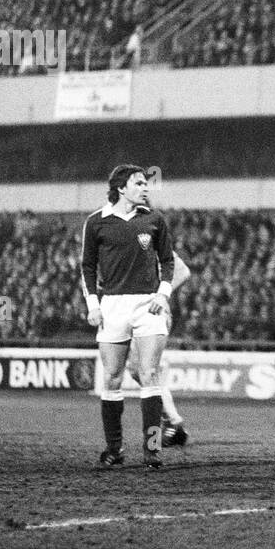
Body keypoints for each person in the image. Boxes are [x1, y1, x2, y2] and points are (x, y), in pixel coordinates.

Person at [81, 164, 175, 469]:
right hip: (112, 306)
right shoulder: (96, 222)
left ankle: (152, 450)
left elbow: (168, 261)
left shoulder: (154, 219)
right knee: (112, 377)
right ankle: (114, 449)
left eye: (146, 183)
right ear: (121, 188)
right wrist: (93, 304)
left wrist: (163, 294)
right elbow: (88, 267)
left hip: (148, 304)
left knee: (149, 375)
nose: (146, 187)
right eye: (139, 183)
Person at [125, 249, 192, 448]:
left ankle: (171, 423)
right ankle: (171, 420)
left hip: (154, 312)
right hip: (136, 313)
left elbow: (182, 271)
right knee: (138, 370)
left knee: (145, 370)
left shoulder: (152, 242)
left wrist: (160, 295)